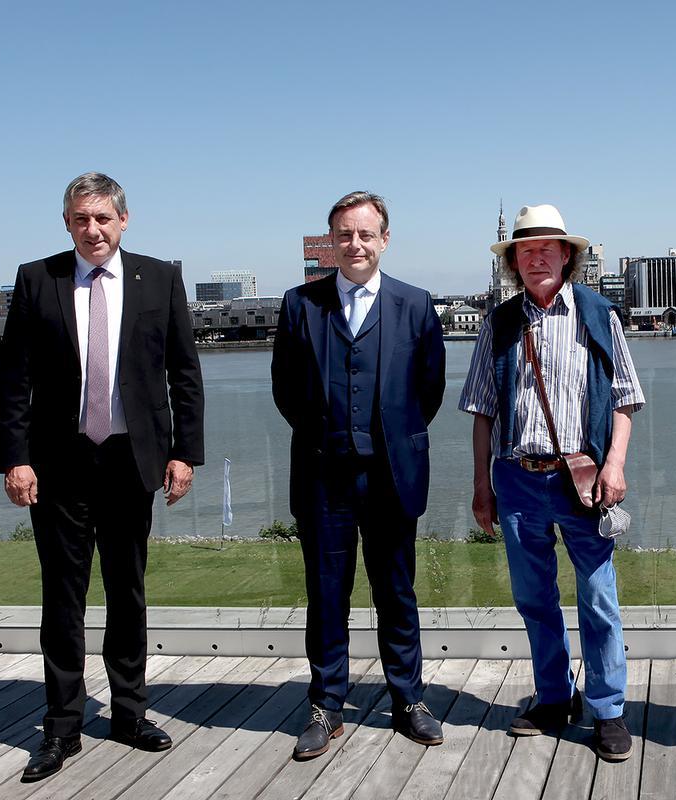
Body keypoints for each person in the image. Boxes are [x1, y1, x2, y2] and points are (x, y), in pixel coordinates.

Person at [0, 172, 204, 782]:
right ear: (67, 224)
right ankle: (61, 727)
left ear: (124, 220)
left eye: (103, 218)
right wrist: (15, 458)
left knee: (126, 589)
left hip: (131, 461)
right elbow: (14, 381)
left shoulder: (160, 279)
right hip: (57, 465)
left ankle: (129, 712)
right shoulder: (38, 280)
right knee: (62, 596)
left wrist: (184, 452)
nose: (93, 230)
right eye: (81, 219)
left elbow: (183, 375)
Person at [459, 204, 644, 762]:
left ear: (567, 256)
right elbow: (482, 411)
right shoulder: (499, 322)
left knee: (598, 597)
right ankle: (555, 696)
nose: (536, 257)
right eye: (525, 249)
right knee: (533, 599)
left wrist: (614, 464)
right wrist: (481, 486)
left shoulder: (598, 313)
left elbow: (625, 398)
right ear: (514, 260)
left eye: (547, 248)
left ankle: (607, 709)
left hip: (582, 481)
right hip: (517, 480)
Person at [271, 191, 446, 760]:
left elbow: (430, 390)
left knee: (396, 590)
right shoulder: (300, 305)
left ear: (384, 239)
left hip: (393, 475)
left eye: (365, 234)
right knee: (327, 595)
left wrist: (391, 436)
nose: (355, 245)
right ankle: (326, 705)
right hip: (325, 476)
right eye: (344, 235)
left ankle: (409, 699)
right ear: (331, 242)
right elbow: (286, 390)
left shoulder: (416, 305)